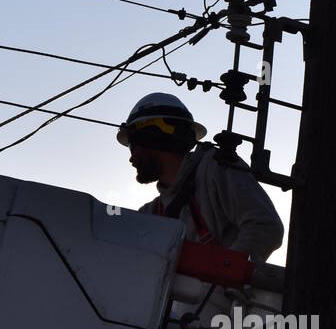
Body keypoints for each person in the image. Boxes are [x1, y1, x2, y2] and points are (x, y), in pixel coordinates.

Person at [118, 93, 284, 261]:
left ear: (151, 136)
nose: (131, 158)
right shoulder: (150, 214)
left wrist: (223, 279)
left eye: (132, 146)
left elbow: (265, 227)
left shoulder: (215, 169)